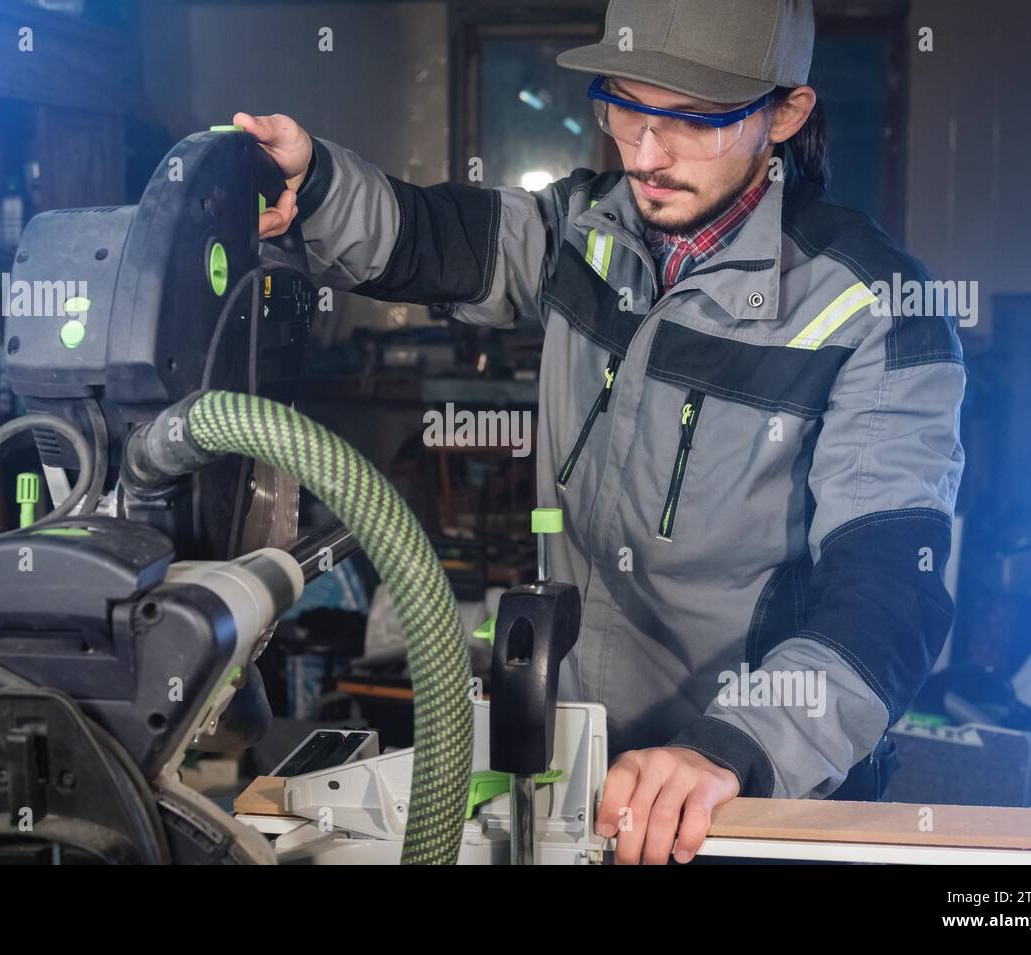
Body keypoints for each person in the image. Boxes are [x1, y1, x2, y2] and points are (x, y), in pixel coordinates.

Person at [234, 0, 965, 865]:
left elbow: (892, 595)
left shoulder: (872, 312)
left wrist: (730, 749)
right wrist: (313, 184)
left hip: (756, 798)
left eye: (691, 121)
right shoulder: (585, 231)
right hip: (582, 777)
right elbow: (432, 236)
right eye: (626, 107)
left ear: (784, 115)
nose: (647, 157)